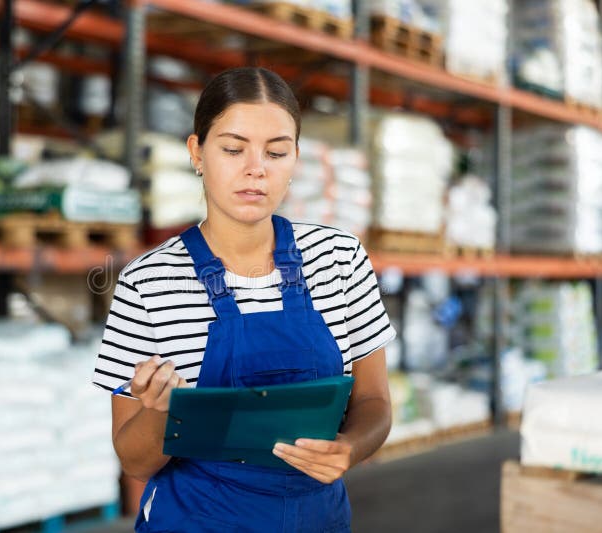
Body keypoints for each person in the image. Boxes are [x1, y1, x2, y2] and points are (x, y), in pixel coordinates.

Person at [93, 66, 396, 532]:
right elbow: (134, 460)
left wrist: (350, 449)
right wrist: (159, 413)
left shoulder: (340, 258)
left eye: (276, 152)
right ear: (197, 153)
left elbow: (374, 401)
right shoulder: (146, 283)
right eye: (233, 149)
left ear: (295, 159)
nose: (256, 168)